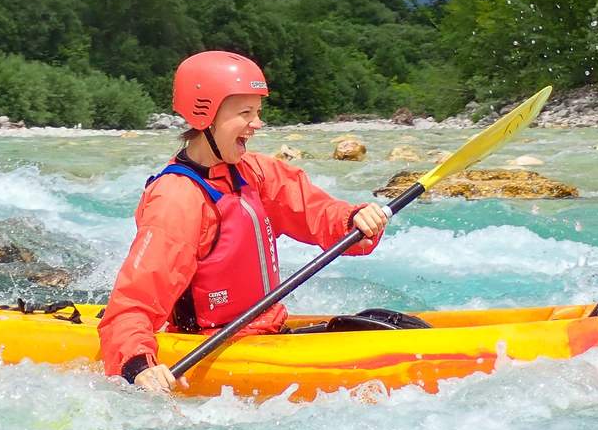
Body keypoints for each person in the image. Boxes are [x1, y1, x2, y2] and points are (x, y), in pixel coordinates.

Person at [97, 50, 390, 393]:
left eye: (258, 112)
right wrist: (136, 362)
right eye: (245, 113)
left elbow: (313, 210)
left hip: (266, 333)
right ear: (205, 116)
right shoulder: (178, 199)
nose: (257, 123)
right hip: (214, 346)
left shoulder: (253, 171)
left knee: (389, 322)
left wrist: (353, 219)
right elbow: (135, 301)